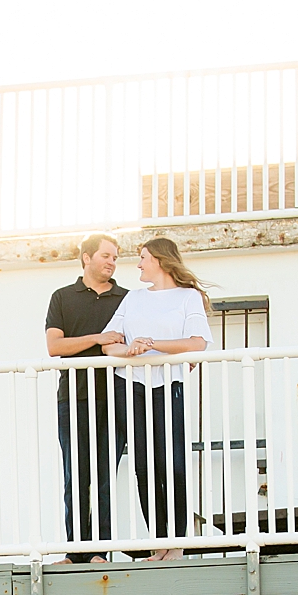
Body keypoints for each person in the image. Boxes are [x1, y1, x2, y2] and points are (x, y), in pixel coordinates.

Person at [102, 237, 210, 560]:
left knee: (172, 465)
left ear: (160, 261)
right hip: (131, 387)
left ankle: (177, 544)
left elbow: (197, 343)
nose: (138, 265)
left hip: (168, 385)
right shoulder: (133, 299)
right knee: (143, 466)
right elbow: (110, 346)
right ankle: (159, 542)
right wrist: (133, 349)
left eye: (143, 258)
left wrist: (153, 344)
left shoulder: (187, 298)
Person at [44, 232, 128, 562]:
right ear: (87, 258)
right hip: (73, 398)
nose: (112, 262)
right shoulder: (62, 297)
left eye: (115, 257)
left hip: (114, 397)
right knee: (74, 478)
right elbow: (55, 347)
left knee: (105, 477)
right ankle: (75, 552)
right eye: (106, 255)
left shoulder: (126, 298)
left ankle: (99, 552)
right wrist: (99, 338)